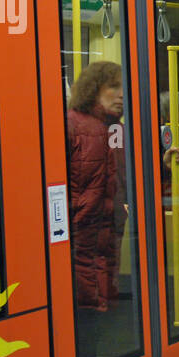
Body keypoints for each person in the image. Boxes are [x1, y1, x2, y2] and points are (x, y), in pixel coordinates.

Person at [66, 62, 125, 312]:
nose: (122, 93)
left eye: (124, 87)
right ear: (92, 90)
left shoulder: (115, 129)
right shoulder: (75, 127)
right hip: (85, 253)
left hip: (106, 244)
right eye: (113, 86)